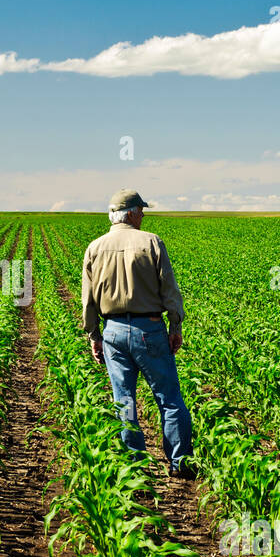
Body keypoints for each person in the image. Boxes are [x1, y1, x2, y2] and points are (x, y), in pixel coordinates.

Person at [81, 189, 195, 479]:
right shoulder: (151, 242)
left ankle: (136, 467)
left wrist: (95, 336)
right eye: (141, 210)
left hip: (114, 332)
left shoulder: (95, 248)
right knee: (169, 399)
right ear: (130, 213)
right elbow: (170, 291)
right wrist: (176, 326)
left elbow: (88, 301)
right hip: (149, 330)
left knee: (125, 401)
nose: (143, 215)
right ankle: (179, 463)